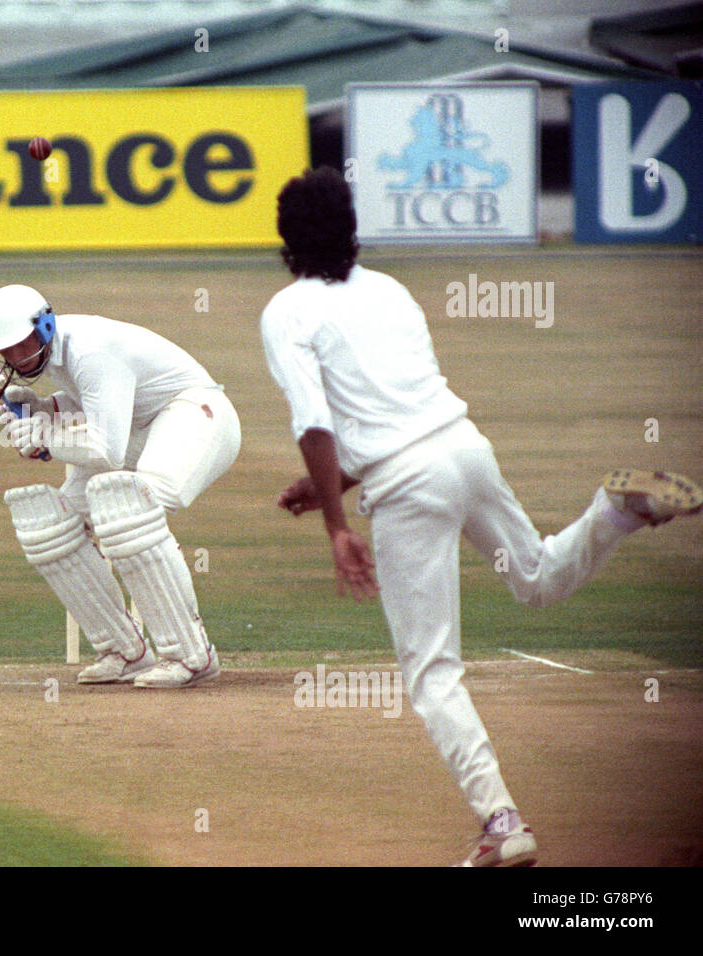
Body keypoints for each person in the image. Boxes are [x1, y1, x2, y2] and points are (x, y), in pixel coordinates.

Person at [259, 167, 701, 866]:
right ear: (350, 227)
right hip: (464, 448)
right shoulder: (390, 290)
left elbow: (315, 423)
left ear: (285, 240)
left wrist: (336, 525)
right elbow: (398, 413)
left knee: (432, 671)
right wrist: (333, 487)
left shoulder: (286, 312)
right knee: (538, 579)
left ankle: (502, 823)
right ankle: (616, 511)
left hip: (409, 484)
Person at [0, 284, 240, 689]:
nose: (17, 357)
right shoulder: (57, 355)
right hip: (142, 427)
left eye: (22, 345)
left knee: (130, 507)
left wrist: (46, 438)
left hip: (195, 415)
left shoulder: (90, 350)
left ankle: (190, 655)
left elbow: (107, 450)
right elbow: (103, 405)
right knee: (50, 524)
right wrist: (45, 408)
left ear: (45, 325)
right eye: (7, 351)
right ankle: (124, 652)